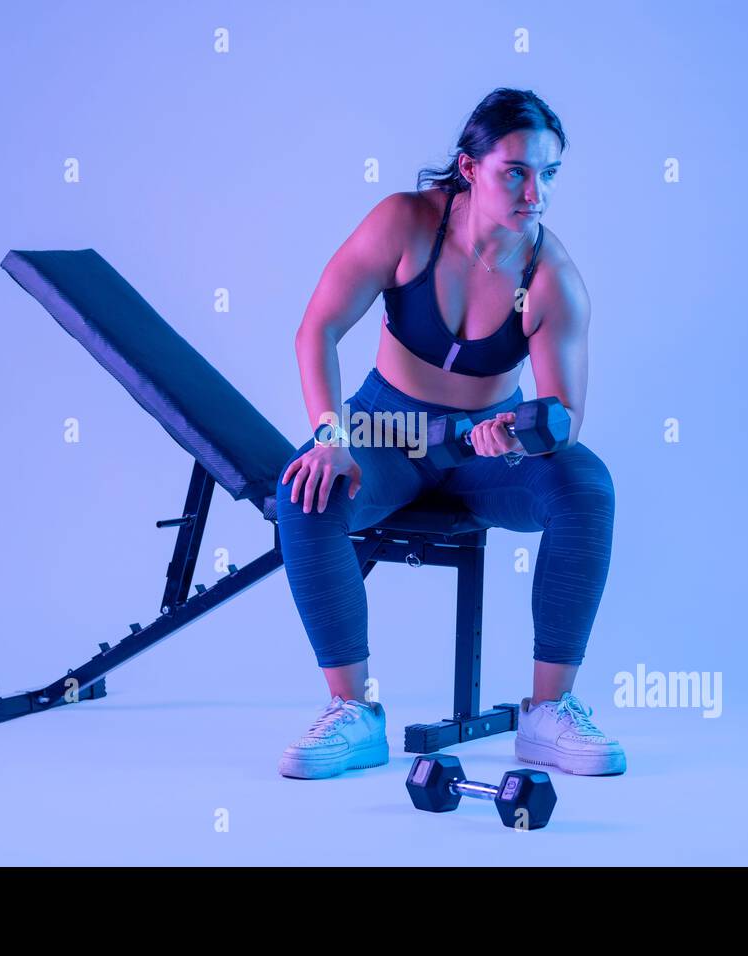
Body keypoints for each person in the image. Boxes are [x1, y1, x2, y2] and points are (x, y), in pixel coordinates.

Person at [275, 88, 622, 780]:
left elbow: (564, 418)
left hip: (484, 453)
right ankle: (355, 712)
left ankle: (548, 715)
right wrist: (328, 433)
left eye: (548, 175)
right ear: (469, 166)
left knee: (586, 485)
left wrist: (521, 440)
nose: (535, 193)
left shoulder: (552, 280)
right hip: (386, 431)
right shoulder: (405, 224)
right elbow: (317, 328)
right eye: (515, 172)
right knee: (305, 491)